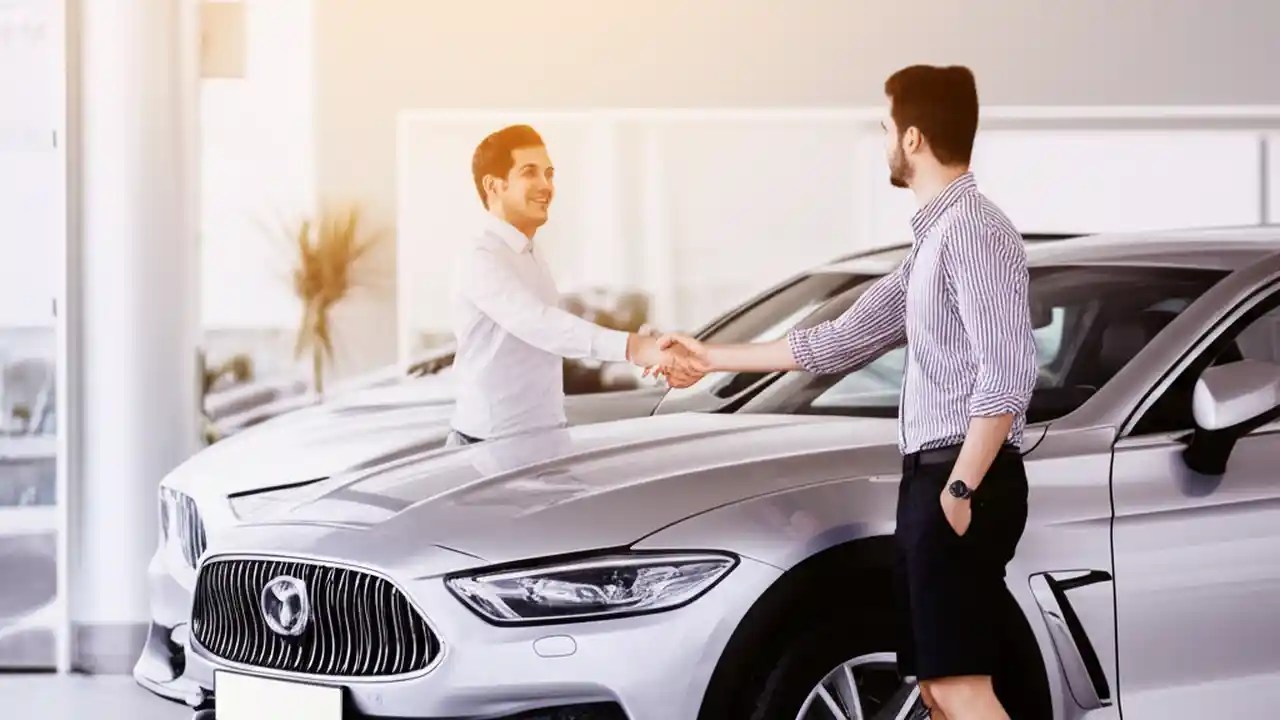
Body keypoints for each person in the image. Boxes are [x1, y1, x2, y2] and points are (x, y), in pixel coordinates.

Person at [650, 65, 1040, 720]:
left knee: (959, 687)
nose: (883, 139)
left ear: (912, 138)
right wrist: (708, 356)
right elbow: (834, 343)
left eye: (886, 127)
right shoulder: (933, 242)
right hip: (933, 478)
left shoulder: (973, 230)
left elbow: (1009, 370)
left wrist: (960, 489)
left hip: (962, 478)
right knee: (937, 693)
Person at [447, 124, 694, 448]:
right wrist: (634, 348)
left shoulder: (531, 253)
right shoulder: (481, 256)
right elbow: (539, 324)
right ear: (494, 185)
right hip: (488, 447)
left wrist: (638, 342)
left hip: (540, 439)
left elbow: (551, 339)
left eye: (549, 174)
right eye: (530, 173)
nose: (545, 185)